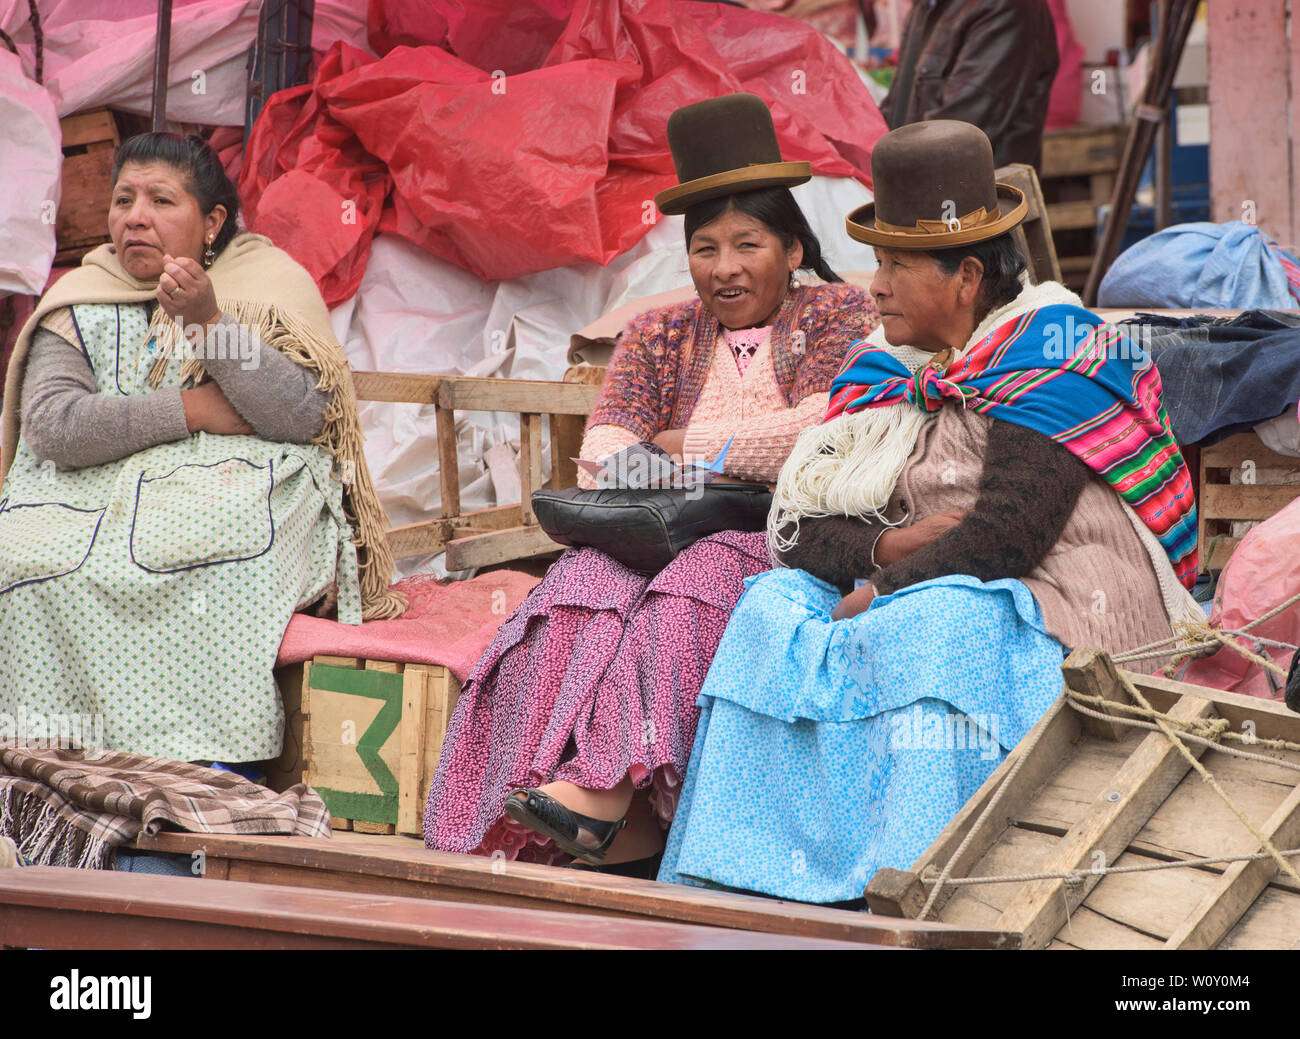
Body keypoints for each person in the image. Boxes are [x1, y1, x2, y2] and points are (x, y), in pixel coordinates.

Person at [657, 120, 1202, 902]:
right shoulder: (886, 369)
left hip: (1063, 592)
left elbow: (1007, 534)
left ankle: (915, 880)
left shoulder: (1051, 348)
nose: (873, 286)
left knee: (938, 618)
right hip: (930, 565)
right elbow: (803, 524)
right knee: (768, 605)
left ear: (967, 277)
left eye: (896, 265)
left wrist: (883, 592)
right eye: (877, 262)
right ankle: (740, 870)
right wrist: (889, 552)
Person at [423, 94, 877, 867]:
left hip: (785, 534)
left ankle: (604, 796)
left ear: (794, 248)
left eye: (748, 243)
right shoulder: (660, 331)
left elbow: (823, 440)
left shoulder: (839, 314)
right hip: (652, 529)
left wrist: (682, 441)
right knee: (580, 581)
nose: (724, 267)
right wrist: (723, 449)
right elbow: (603, 455)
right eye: (705, 248)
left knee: (696, 581)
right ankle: (542, 791)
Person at [0, 132, 402, 767]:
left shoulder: (264, 283)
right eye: (123, 199)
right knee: (22, 558)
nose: (136, 216)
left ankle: (212, 761)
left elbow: (302, 414)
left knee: (216, 545)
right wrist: (189, 410)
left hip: (225, 491)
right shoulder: (82, 296)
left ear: (212, 221)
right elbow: (52, 425)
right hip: (86, 496)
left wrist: (208, 323)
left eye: (162, 200)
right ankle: (49, 760)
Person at [880, 0, 1059, 169]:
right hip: (919, 185)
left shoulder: (1003, 6)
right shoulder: (929, 5)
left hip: (974, 195)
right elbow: (897, 107)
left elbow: (957, 132)